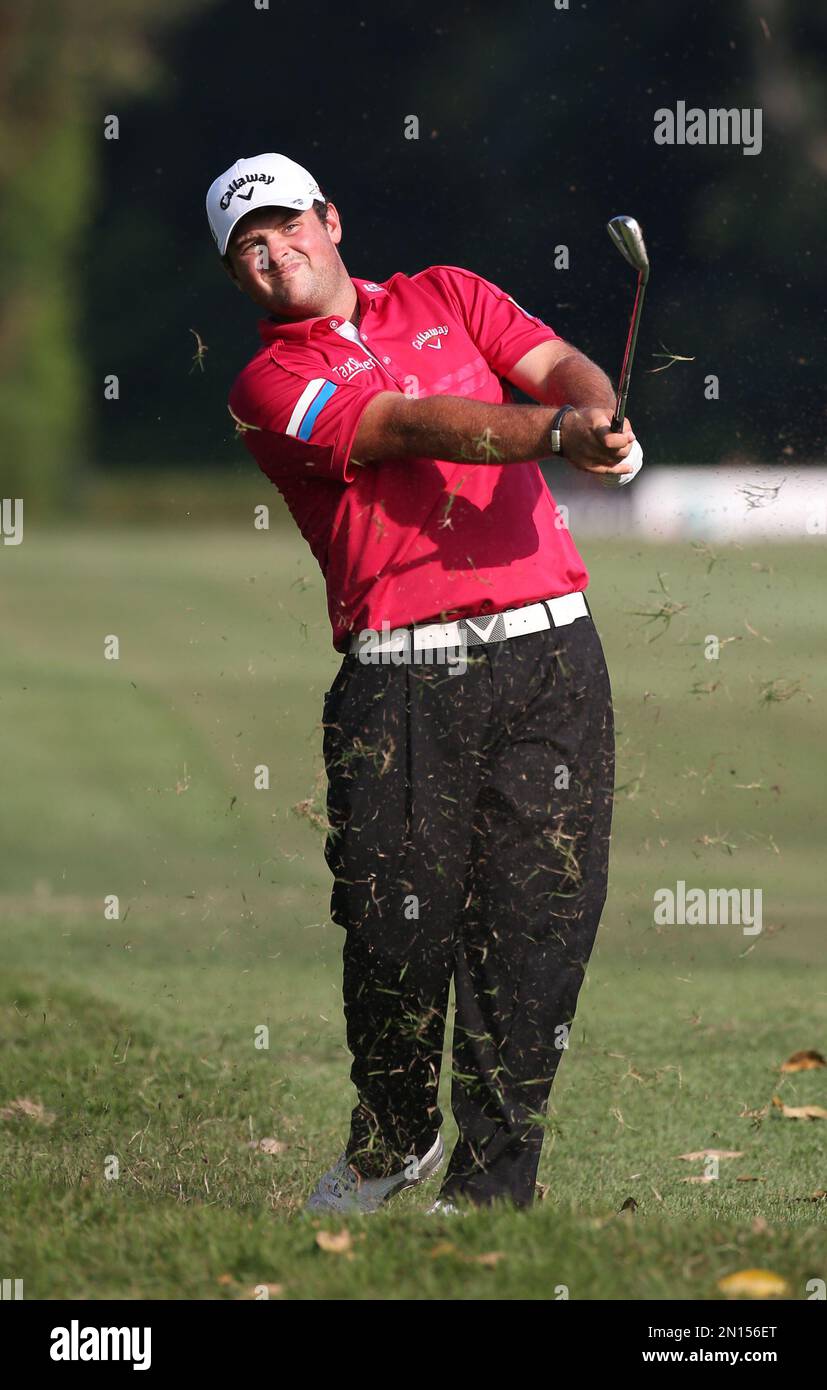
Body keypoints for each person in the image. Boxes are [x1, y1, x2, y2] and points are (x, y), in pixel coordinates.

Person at [206, 152, 635, 1213]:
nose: (274, 253)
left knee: (534, 930)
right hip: (401, 685)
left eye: (285, 226)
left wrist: (598, 415)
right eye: (247, 246)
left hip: (549, 658)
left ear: (330, 219)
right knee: (397, 936)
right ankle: (392, 1138)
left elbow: (557, 362)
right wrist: (553, 435)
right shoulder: (267, 385)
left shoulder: (449, 293)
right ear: (237, 273)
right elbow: (400, 423)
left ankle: (491, 1189)